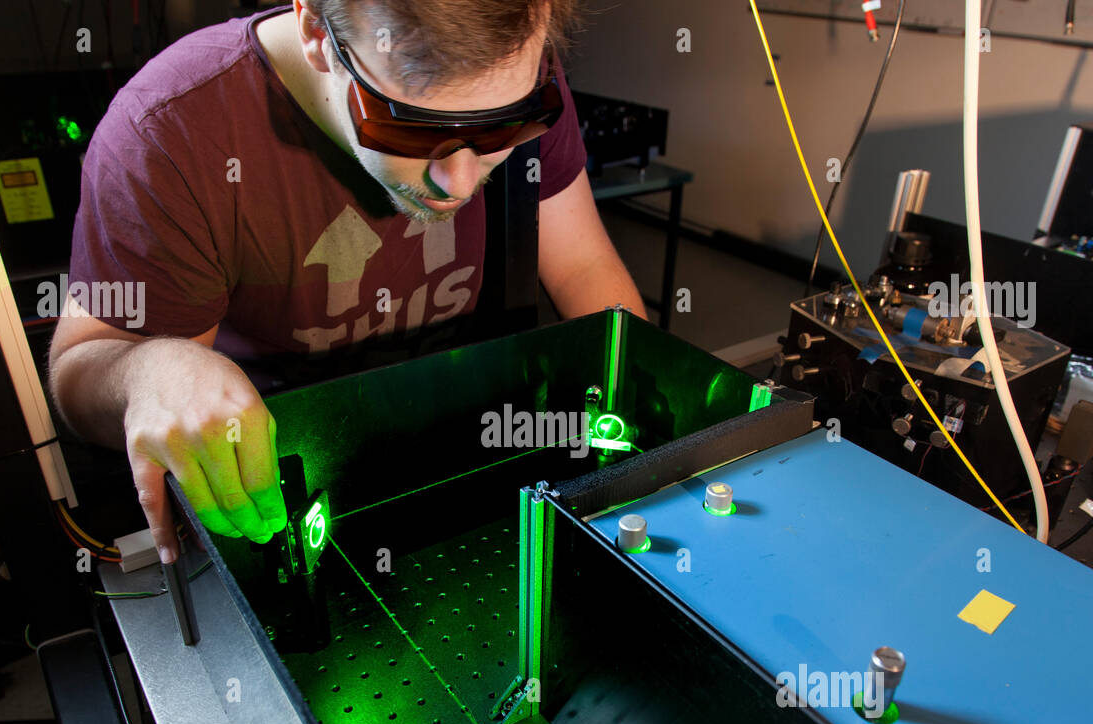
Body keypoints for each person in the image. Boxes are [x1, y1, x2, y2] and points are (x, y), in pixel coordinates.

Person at [48, 0, 646, 564]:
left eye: (503, 129)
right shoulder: (173, 133)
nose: (458, 183)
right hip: (286, 506)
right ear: (315, 31)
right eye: (412, 128)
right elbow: (79, 372)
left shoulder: (516, 71)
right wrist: (149, 370)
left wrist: (651, 432)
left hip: (479, 455)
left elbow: (583, 270)